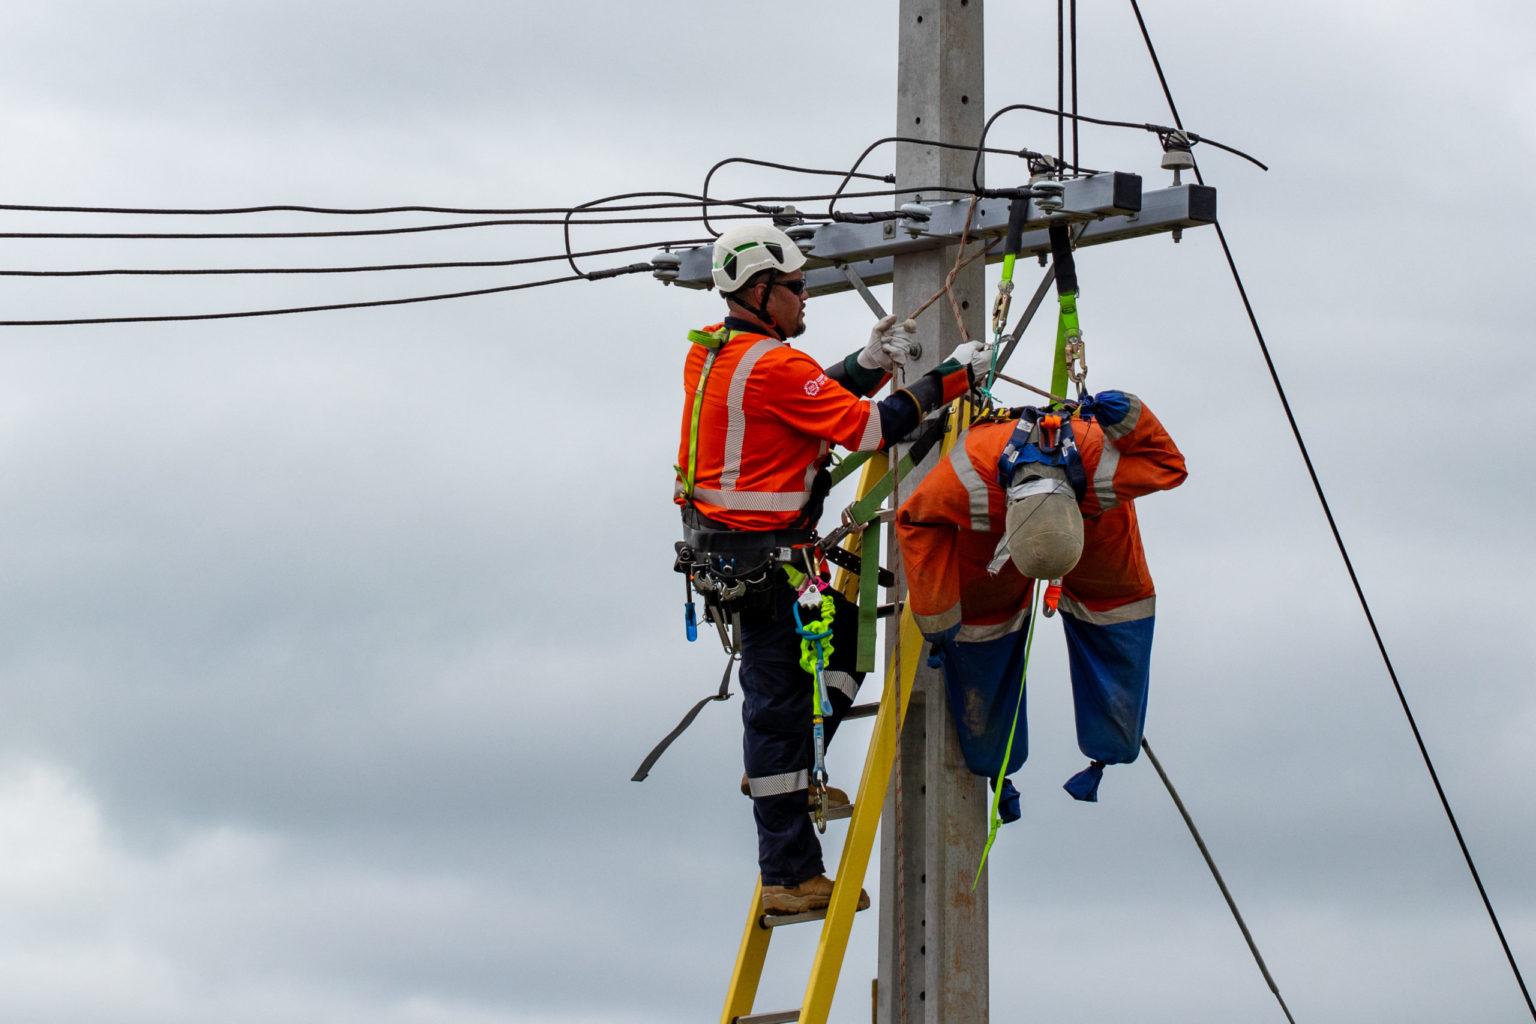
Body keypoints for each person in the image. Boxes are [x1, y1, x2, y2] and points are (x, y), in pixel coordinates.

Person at [674, 223, 992, 914]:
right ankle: (789, 875)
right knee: (778, 707)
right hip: (760, 565)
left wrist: (868, 362)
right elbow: (874, 429)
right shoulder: (775, 367)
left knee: (845, 640)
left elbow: (810, 398)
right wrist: (950, 379)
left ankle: (797, 767)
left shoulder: (717, 354)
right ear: (761, 292)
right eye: (794, 286)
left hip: (740, 558)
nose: (804, 294)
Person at [894, 390, 1187, 809]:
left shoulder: (1099, 455)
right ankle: (996, 759)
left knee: (1117, 610)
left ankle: (1106, 748)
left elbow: (1170, 465)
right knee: (983, 625)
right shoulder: (967, 477)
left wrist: (1127, 413)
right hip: (992, 531)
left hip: (1095, 523)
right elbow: (915, 519)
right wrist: (938, 621)